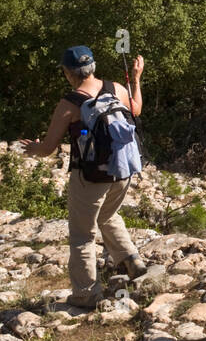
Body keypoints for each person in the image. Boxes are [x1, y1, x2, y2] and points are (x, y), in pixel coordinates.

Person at [23, 46, 147, 308]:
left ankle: (85, 294)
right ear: (92, 66)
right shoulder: (116, 88)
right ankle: (130, 259)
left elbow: (48, 149)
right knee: (108, 215)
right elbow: (135, 110)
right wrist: (136, 79)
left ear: (68, 73)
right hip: (123, 170)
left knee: (82, 235)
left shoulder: (71, 103)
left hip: (89, 175)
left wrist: (33, 148)